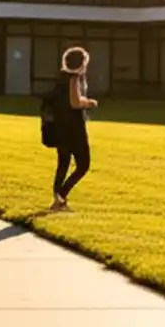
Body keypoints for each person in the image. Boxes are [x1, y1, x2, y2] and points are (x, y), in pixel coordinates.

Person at [50, 46, 97, 211]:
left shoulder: (61, 78)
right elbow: (75, 102)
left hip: (60, 126)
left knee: (63, 163)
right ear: (81, 63)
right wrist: (89, 102)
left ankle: (58, 200)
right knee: (83, 165)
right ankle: (61, 196)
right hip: (74, 128)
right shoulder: (74, 78)